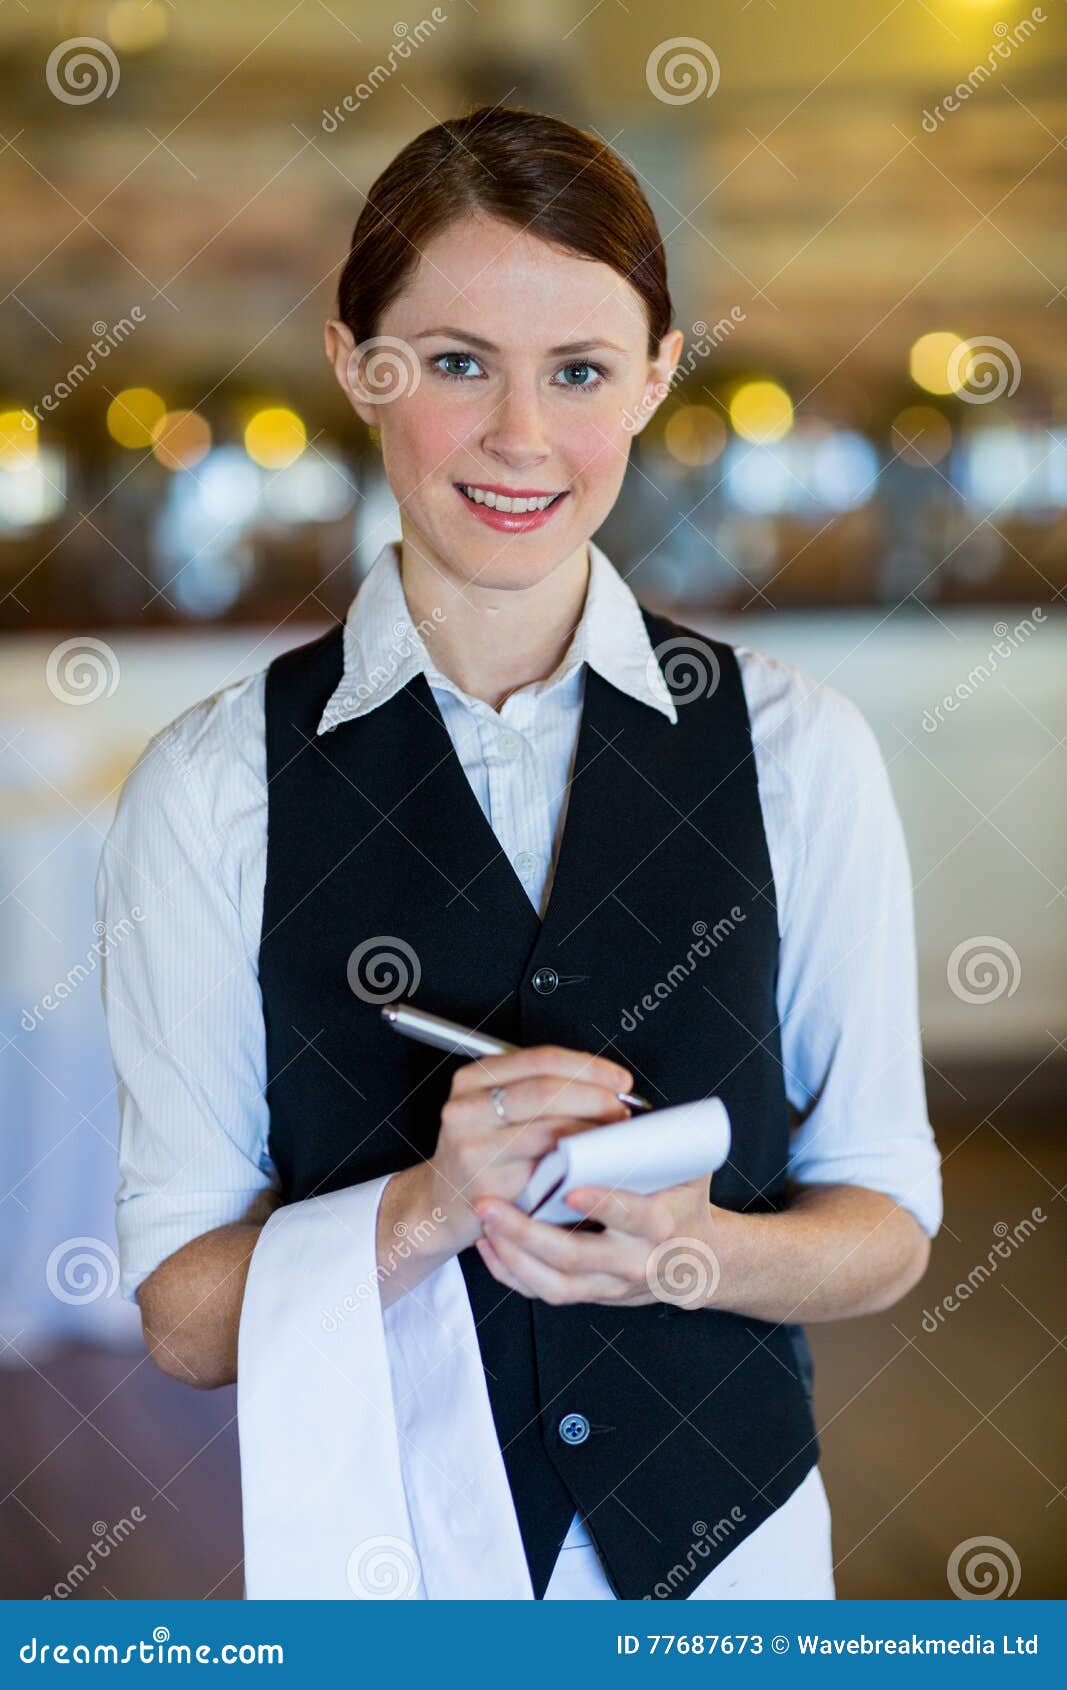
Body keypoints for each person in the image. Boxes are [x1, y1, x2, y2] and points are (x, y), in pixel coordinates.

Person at [96, 104, 942, 1602]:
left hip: (731, 1568)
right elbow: (183, 1316)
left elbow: (884, 1223)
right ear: (360, 361)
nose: (520, 438)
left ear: (657, 375)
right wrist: (427, 1207)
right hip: (390, 1565)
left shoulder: (802, 754)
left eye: (578, 371)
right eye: (457, 361)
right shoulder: (210, 788)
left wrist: (694, 1252)